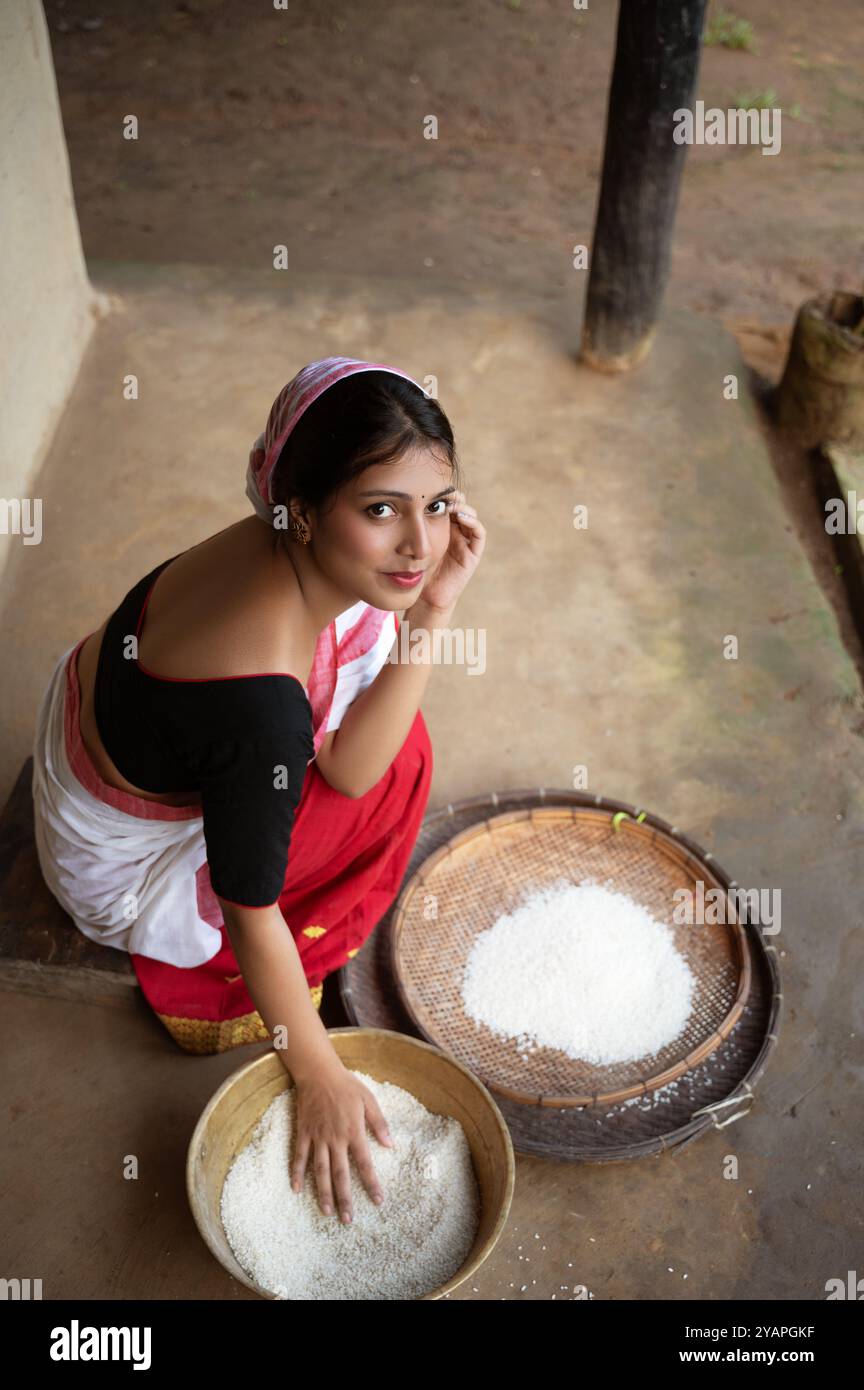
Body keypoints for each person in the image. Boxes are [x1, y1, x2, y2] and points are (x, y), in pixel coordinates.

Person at [31, 355, 485, 1225]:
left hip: (100, 731)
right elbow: (257, 902)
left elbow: (348, 757)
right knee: (397, 772)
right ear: (305, 512)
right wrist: (317, 1072)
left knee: (395, 738)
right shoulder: (261, 707)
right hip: (122, 865)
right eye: (381, 509)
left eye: (436, 505)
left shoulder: (280, 545)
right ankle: (211, 991)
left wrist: (433, 614)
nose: (421, 547)